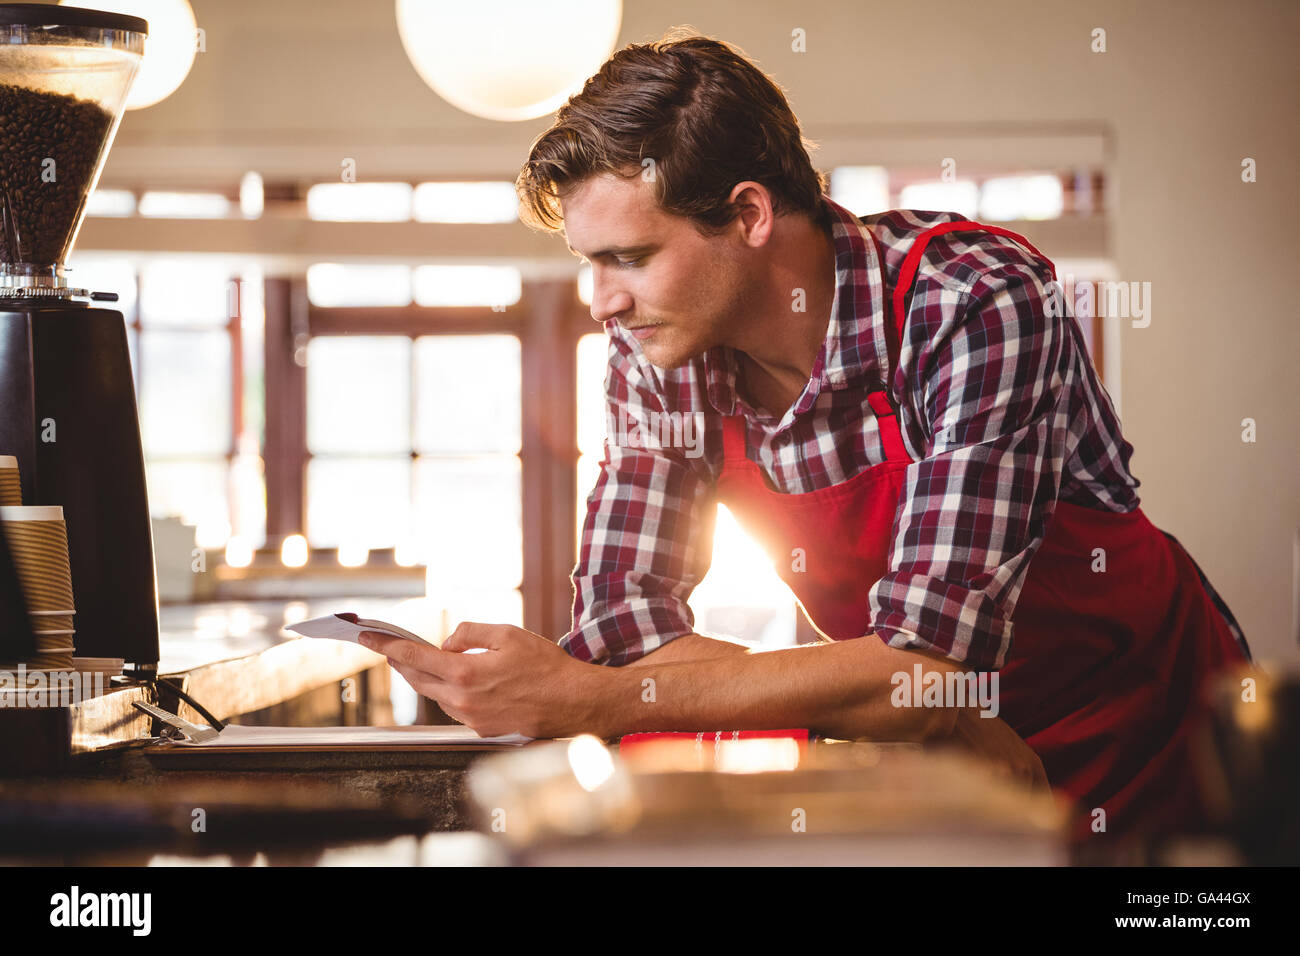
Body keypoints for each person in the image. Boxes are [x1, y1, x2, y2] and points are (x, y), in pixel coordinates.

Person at [362, 31, 1252, 845]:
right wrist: (922, 704)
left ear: (748, 215)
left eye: (628, 258)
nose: (601, 301)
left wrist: (590, 699)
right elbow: (626, 626)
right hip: (944, 762)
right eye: (588, 264)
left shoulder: (974, 301)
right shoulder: (660, 355)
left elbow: (924, 668)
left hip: (1154, 736)